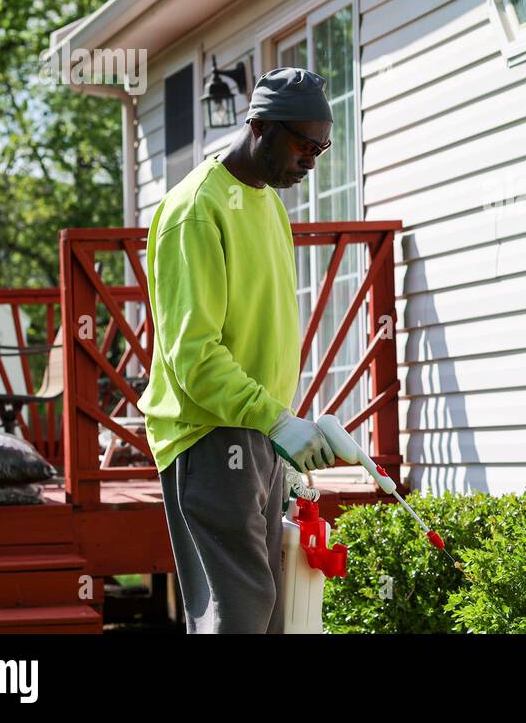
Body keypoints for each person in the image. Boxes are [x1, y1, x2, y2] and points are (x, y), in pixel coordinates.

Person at [138, 66, 338, 633]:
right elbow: (193, 356)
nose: (312, 161)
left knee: (269, 613)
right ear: (260, 127)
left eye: (322, 148)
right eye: (304, 144)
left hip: (260, 433)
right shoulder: (197, 209)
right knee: (240, 615)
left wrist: (281, 432)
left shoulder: (269, 201)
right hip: (209, 434)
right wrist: (274, 420)